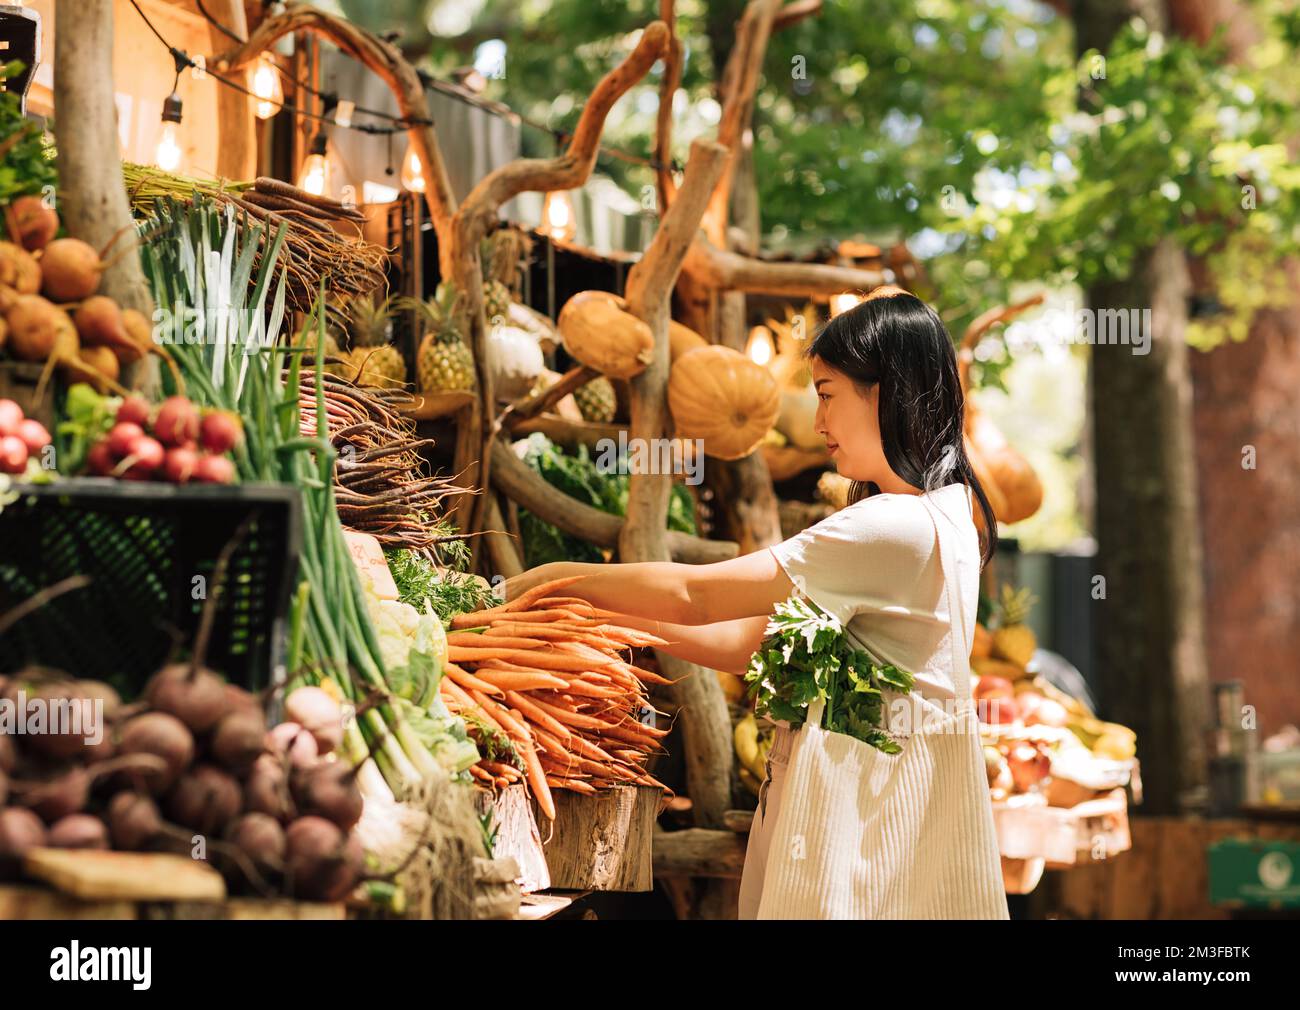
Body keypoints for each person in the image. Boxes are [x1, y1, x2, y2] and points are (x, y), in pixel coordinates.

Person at [503, 285, 1008, 918]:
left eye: (827, 396)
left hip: (867, 827)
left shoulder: (892, 526)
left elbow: (697, 594)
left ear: (881, 391)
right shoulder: (951, 513)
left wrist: (553, 576)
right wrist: (600, 616)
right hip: (881, 812)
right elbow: (752, 642)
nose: (818, 423)